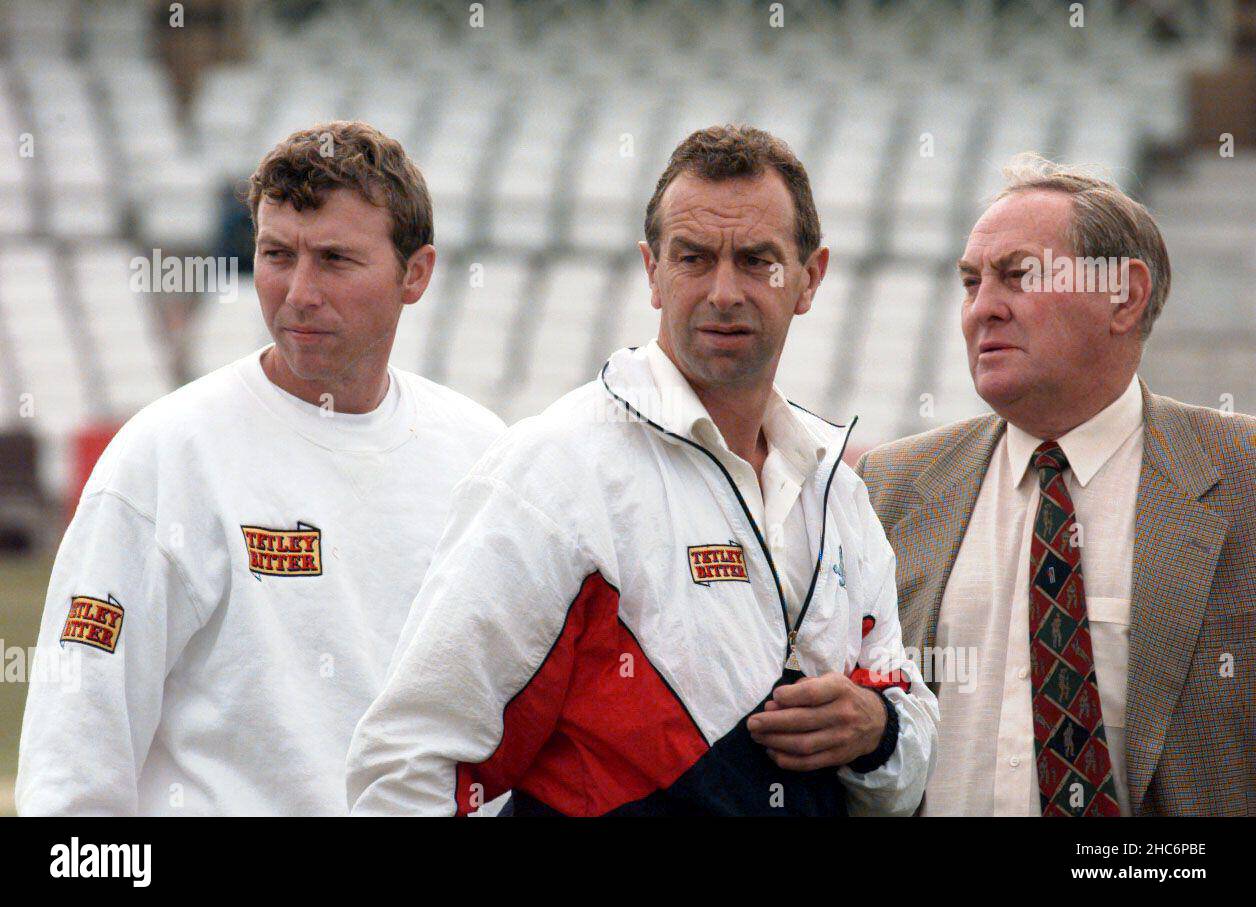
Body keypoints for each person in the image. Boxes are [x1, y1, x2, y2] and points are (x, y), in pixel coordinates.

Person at [346, 124, 938, 817]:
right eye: (693, 257)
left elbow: (908, 764)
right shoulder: (559, 468)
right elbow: (408, 760)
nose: (723, 291)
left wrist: (877, 730)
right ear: (652, 271)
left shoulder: (836, 489)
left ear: (811, 278)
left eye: (756, 260)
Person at [16, 120, 504, 815]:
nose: (299, 291)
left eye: (334, 259)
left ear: (416, 273)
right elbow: (73, 766)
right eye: (277, 254)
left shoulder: (483, 456)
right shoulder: (163, 458)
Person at [857, 154, 1255, 816]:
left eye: (1018, 275)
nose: (982, 309)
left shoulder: (1241, 473)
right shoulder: (890, 487)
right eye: (969, 282)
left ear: (1123, 296)